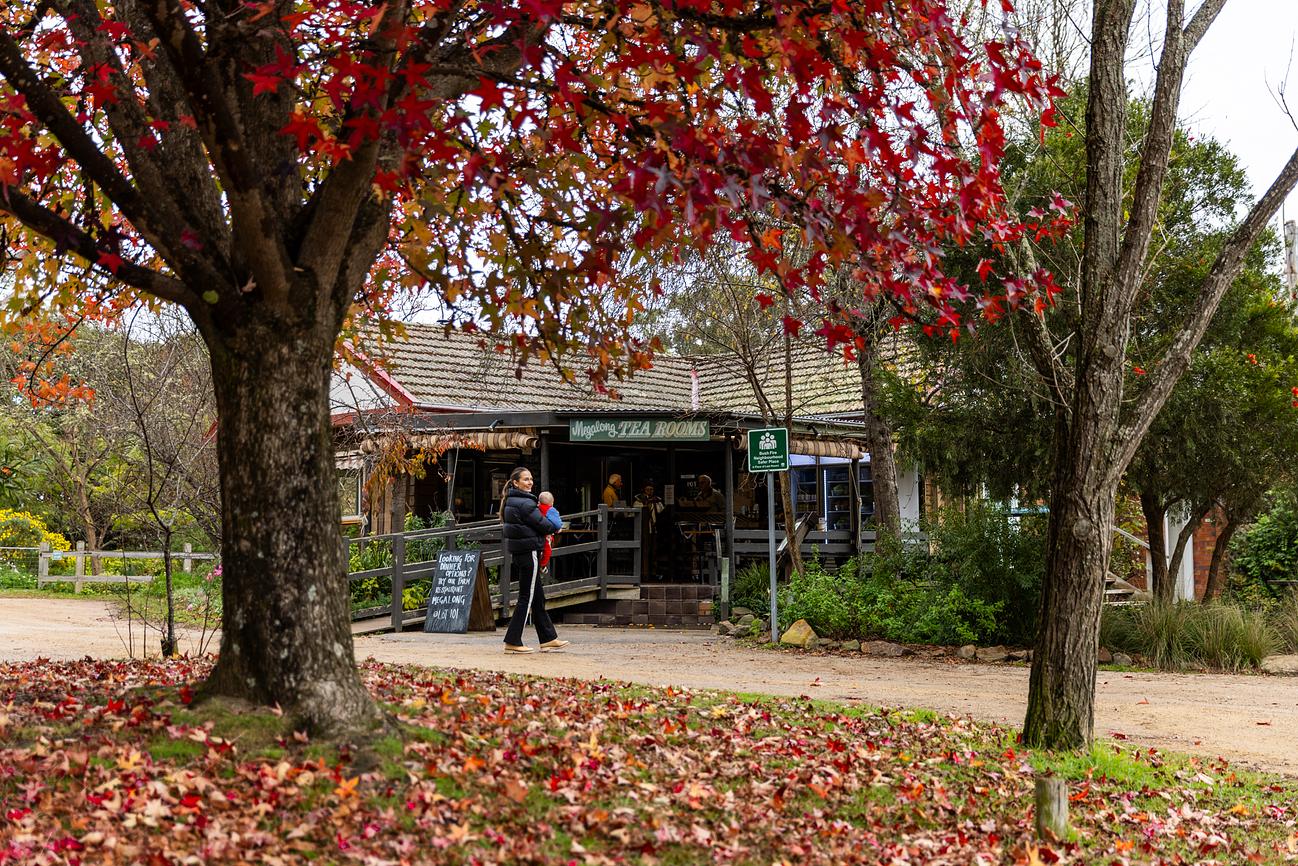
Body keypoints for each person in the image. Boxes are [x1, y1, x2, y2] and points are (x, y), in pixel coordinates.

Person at [499, 467, 570, 654]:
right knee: (527, 597)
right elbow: (544, 525)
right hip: (529, 552)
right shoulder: (526, 504)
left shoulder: (513, 501)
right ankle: (512, 640)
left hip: (522, 552)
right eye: (525, 479)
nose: (530, 482)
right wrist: (555, 526)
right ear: (516, 483)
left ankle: (548, 638)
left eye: (531, 479)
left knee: (537, 597)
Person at [537, 490, 564, 568]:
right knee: (547, 550)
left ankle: (540, 563)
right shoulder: (551, 510)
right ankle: (542, 565)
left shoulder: (537, 508)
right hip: (546, 535)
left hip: (538, 533)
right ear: (552, 503)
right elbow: (556, 522)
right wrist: (559, 528)